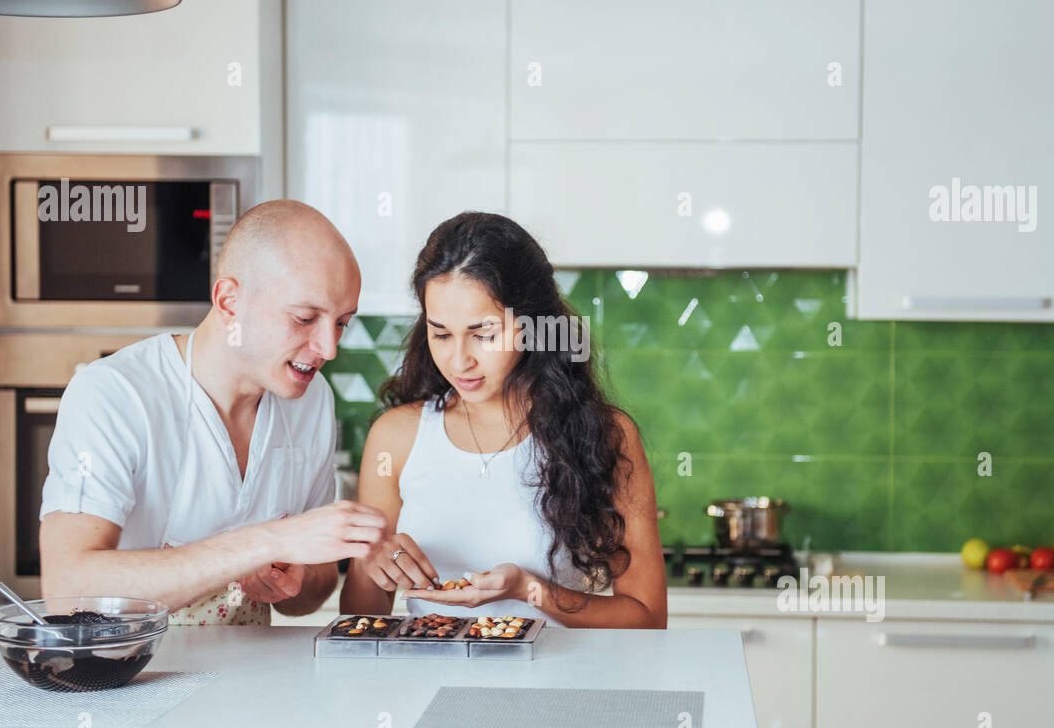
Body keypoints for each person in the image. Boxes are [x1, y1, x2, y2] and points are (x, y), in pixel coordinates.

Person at [39, 200, 385, 624]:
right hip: (132, 678)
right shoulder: (115, 394)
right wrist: (266, 541)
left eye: (341, 323)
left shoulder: (312, 402)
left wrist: (294, 582)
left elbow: (315, 590)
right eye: (305, 318)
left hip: (253, 682)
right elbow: (66, 589)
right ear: (228, 301)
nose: (328, 349)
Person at [339, 212, 667, 628]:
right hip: (424, 683)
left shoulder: (606, 435)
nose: (459, 361)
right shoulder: (395, 437)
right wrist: (373, 565)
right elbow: (358, 620)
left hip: (559, 685)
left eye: (484, 333)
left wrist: (530, 590)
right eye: (441, 333)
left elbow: (648, 619)